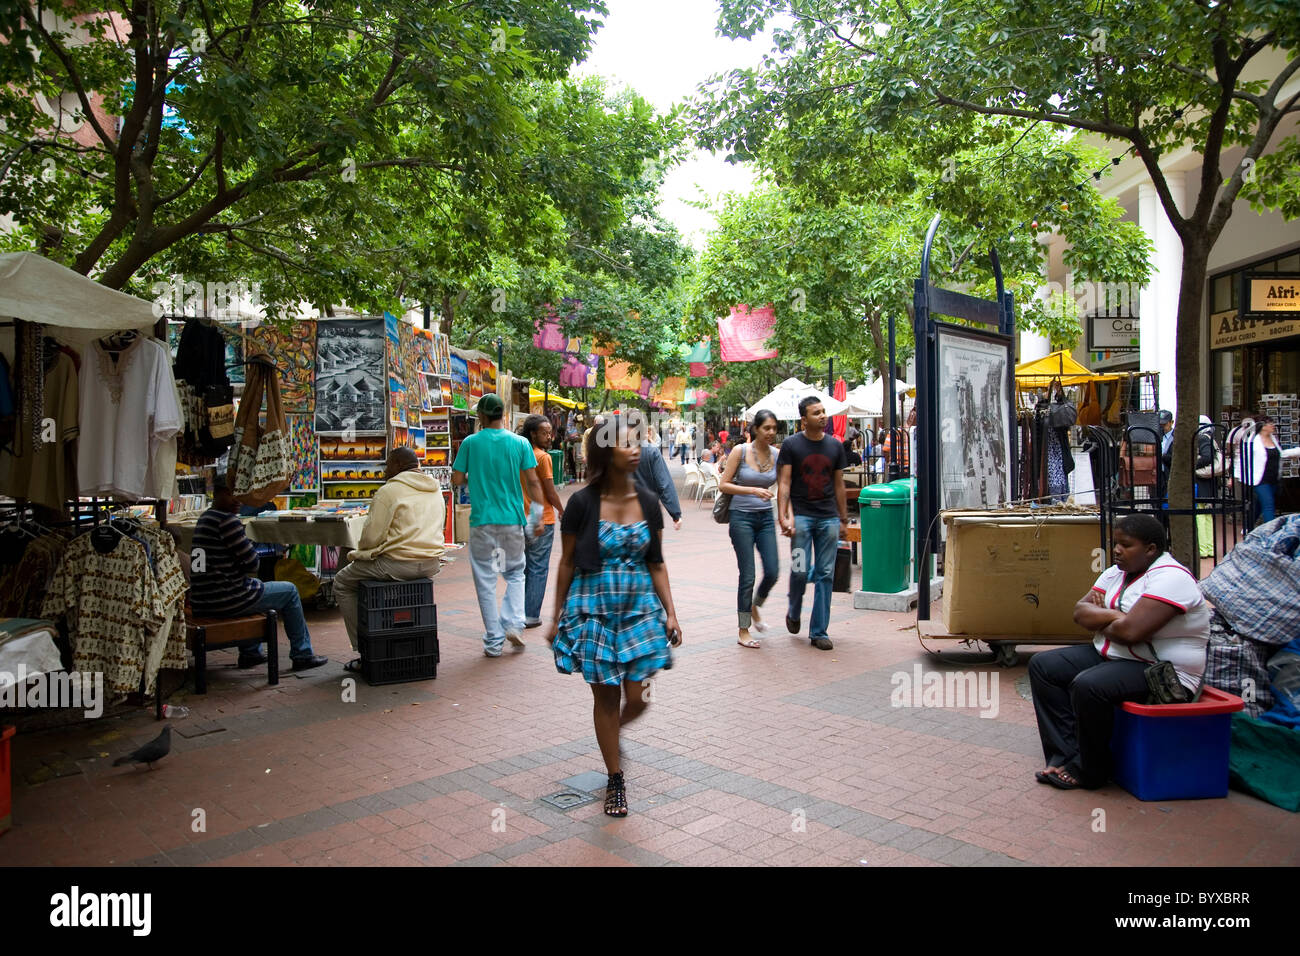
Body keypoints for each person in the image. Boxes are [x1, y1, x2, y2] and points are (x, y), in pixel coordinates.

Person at [546, 414, 682, 817]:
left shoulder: (647, 503)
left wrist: (671, 612)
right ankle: (615, 779)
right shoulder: (582, 503)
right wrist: (556, 618)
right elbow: (567, 563)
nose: (636, 449)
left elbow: (656, 561)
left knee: (638, 697)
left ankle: (612, 734)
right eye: (626, 443)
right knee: (605, 695)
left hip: (638, 608)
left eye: (638, 442)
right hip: (594, 609)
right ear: (607, 452)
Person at [1029, 513, 1209, 790]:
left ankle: (1091, 770)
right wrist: (1116, 616)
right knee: (1044, 666)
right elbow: (1079, 612)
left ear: (1150, 549)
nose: (1116, 550)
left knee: (1089, 685)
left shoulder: (1173, 579)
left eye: (1126, 545)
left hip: (1164, 672)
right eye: (1115, 543)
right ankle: (1065, 755)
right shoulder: (1116, 573)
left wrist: (1103, 616)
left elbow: (1131, 633)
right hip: (1115, 656)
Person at [191, 475, 328, 671]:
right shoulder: (227, 521)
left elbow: (201, 565)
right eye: (233, 495)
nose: (239, 501)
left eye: (242, 495)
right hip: (225, 599)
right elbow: (253, 564)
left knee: (254, 586)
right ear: (219, 494)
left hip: (204, 599)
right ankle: (302, 653)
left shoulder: (205, 518)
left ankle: (251, 653)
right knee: (289, 591)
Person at [452, 393, 546, 657]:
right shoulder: (520, 443)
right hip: (512, 520)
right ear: (502, 414)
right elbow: (533, 482)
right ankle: (514, 623)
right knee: (516, 574)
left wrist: (477, 477)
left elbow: (458, 479)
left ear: (481, 416)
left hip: (482, 521)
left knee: (486, 581)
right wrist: (537, 517)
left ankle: (493, 641)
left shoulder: (470, 443)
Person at [335, 447, 445, 669]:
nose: (385, 470)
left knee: (342, 582)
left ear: (397, 465)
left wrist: (360, 553)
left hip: (397, 563)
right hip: (430, 563)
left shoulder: (389, 491)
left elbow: (371, 537)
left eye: (387, 465)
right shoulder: (435, 488)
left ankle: (362, 649)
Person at [777, 396, 849, 651]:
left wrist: (843, 518)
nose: (822, 416)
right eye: (816, 413)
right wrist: (783, 514)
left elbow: (839, 484)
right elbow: (784, 482)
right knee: (799, 569)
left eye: (823, 411)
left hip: (828, 518)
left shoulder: (835, 446)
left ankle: (819, 631)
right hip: (802, 520)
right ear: (804, 420)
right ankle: (794, 610)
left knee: (825, 574)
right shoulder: (791, 445)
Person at [719, 410, 779, 648]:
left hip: (765, 518)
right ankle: (743, 628)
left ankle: (755, 605)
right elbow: (724, 484)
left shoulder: (777, 454)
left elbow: (784, 486)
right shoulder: (739, 452)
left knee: (773, 571)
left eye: (774, 428)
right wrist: (753, 490)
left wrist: (785, 516)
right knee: (748, 575)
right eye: (767, 428)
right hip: (741, 517)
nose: (771, 432)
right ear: (756, 429)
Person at [520, 414, 566, 628]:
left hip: (521, 516)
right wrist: (561, 509)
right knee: (538, 567)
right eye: (544, 433)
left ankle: (519, 610)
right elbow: (549, 490)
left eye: (550, 432)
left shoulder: (519, 452)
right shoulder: (543, 457)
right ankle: (530, 615)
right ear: (532, 434)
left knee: (523, 567)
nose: (549, 437)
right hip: (542, 518)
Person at [1241, 415, 1300, 526]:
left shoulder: (1273, 439)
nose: (1273, 425)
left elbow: (1280, 454)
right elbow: (1244, 459)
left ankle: (1248, 527)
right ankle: (1271, 532)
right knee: (1269, 505)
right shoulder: (1253, 440)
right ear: (1262, 426)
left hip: (1273, 479)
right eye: (1270, 423)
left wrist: (1296, 452)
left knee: (1258, 506)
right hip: (1260, 480)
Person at [633, 417, 683, 530]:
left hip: (623, 513)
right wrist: (675, 513)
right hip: (648, 510)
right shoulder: (651, 451)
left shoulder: (616, 451)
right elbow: (664, 483)